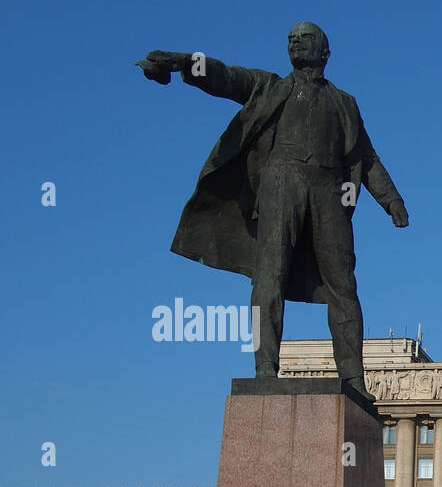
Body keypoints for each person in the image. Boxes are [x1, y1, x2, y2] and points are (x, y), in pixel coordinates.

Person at [137, 23, 409, 398]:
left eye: (305, 37)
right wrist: (183, 62)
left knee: (343, 285)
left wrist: (391, 199)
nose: (295, 41)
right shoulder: (269, 86)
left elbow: (365, 156)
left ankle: (352, 379)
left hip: (330, 190)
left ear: (325, 53)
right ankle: (265, 367)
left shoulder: (345, 102)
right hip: (281, 182)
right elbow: (224, 76)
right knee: (269, 276)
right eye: (291, 38)